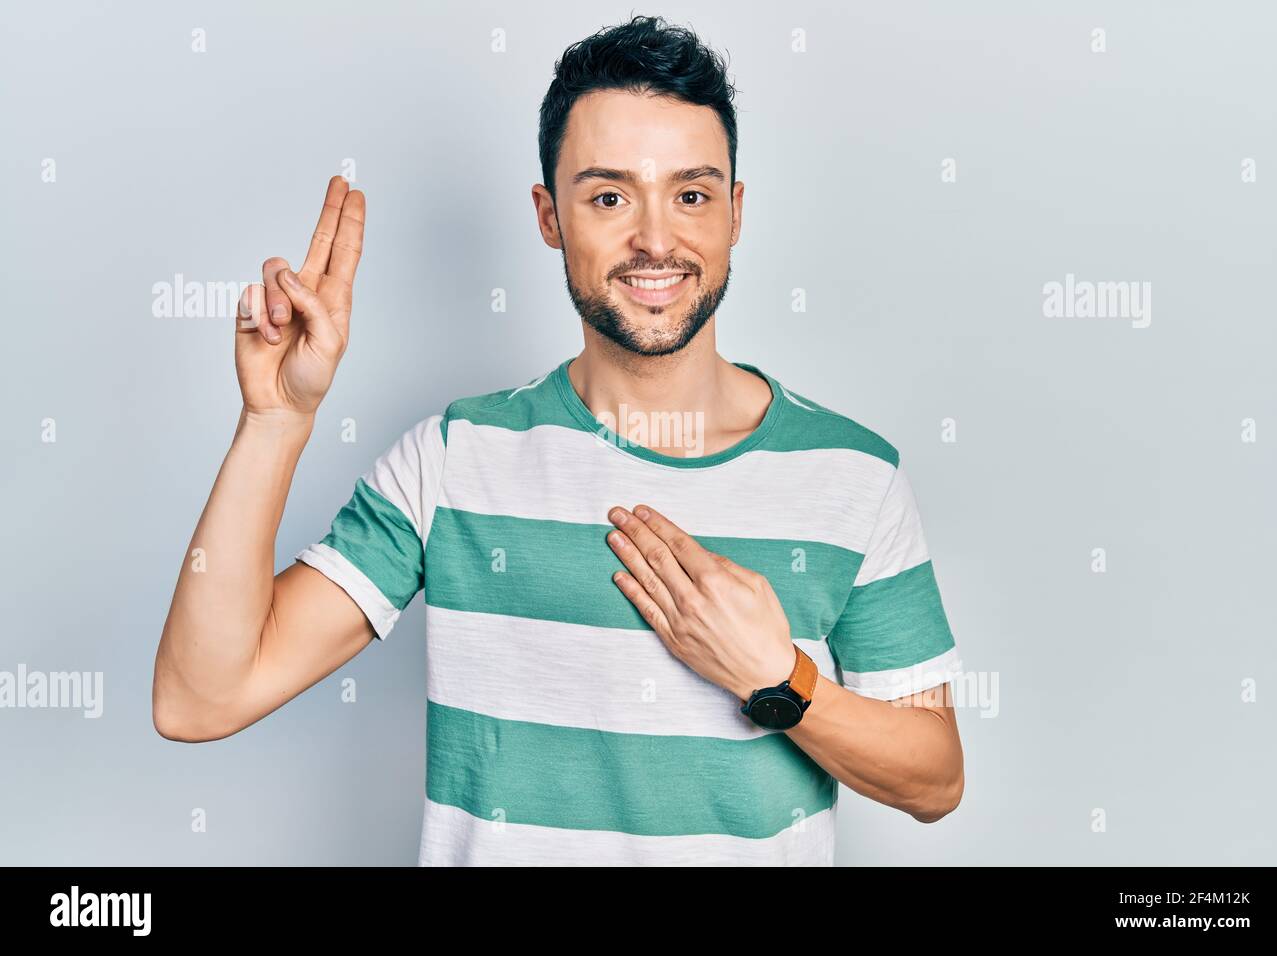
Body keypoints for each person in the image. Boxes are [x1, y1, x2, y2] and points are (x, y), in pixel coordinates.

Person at [153, 14, 965, 866]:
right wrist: (276, 421)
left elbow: (935, 780)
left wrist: (779, 682)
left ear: (734, 211)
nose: (656, 238)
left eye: (691, 194)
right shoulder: (452, 460)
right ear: (549, 216)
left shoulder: (853, 475)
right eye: (609, 196)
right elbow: (200, 699)